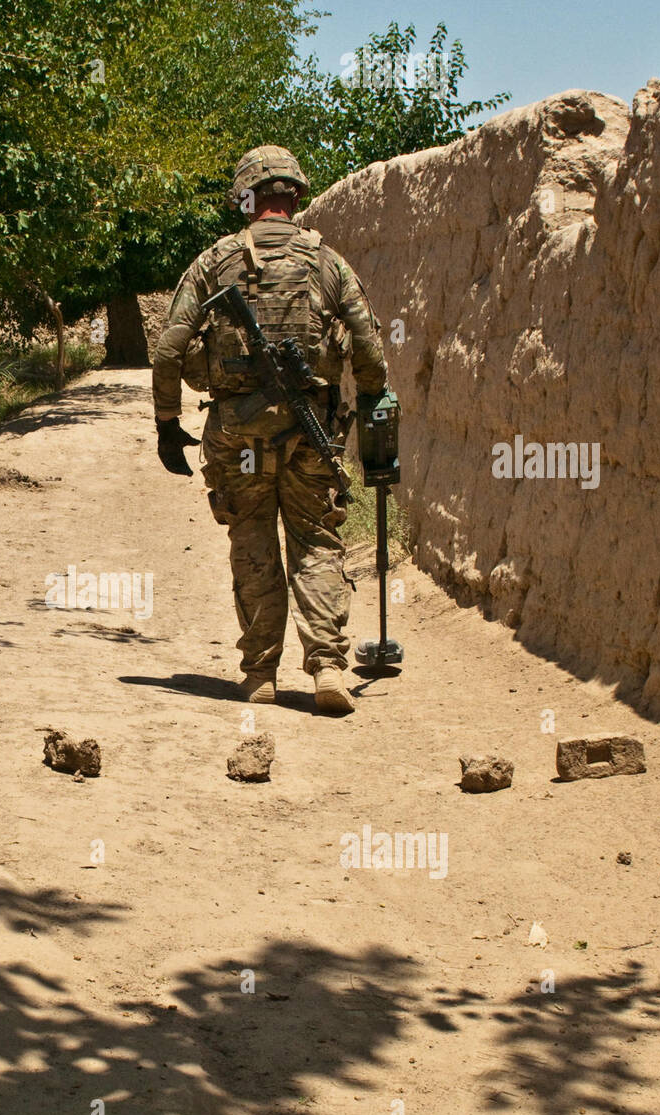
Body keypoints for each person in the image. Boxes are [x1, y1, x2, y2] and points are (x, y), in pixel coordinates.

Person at [151, 145, 392, 714]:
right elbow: (370, 353)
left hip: (238, 437)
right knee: (316, 541)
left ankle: (260, 672)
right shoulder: (328, 263)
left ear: (247, 198)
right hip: (314, 435)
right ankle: (328, 667)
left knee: (252, 541)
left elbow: (167, 352)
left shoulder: (213, 262)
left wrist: (167, 424)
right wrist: (377, 409)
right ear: (296, 196)